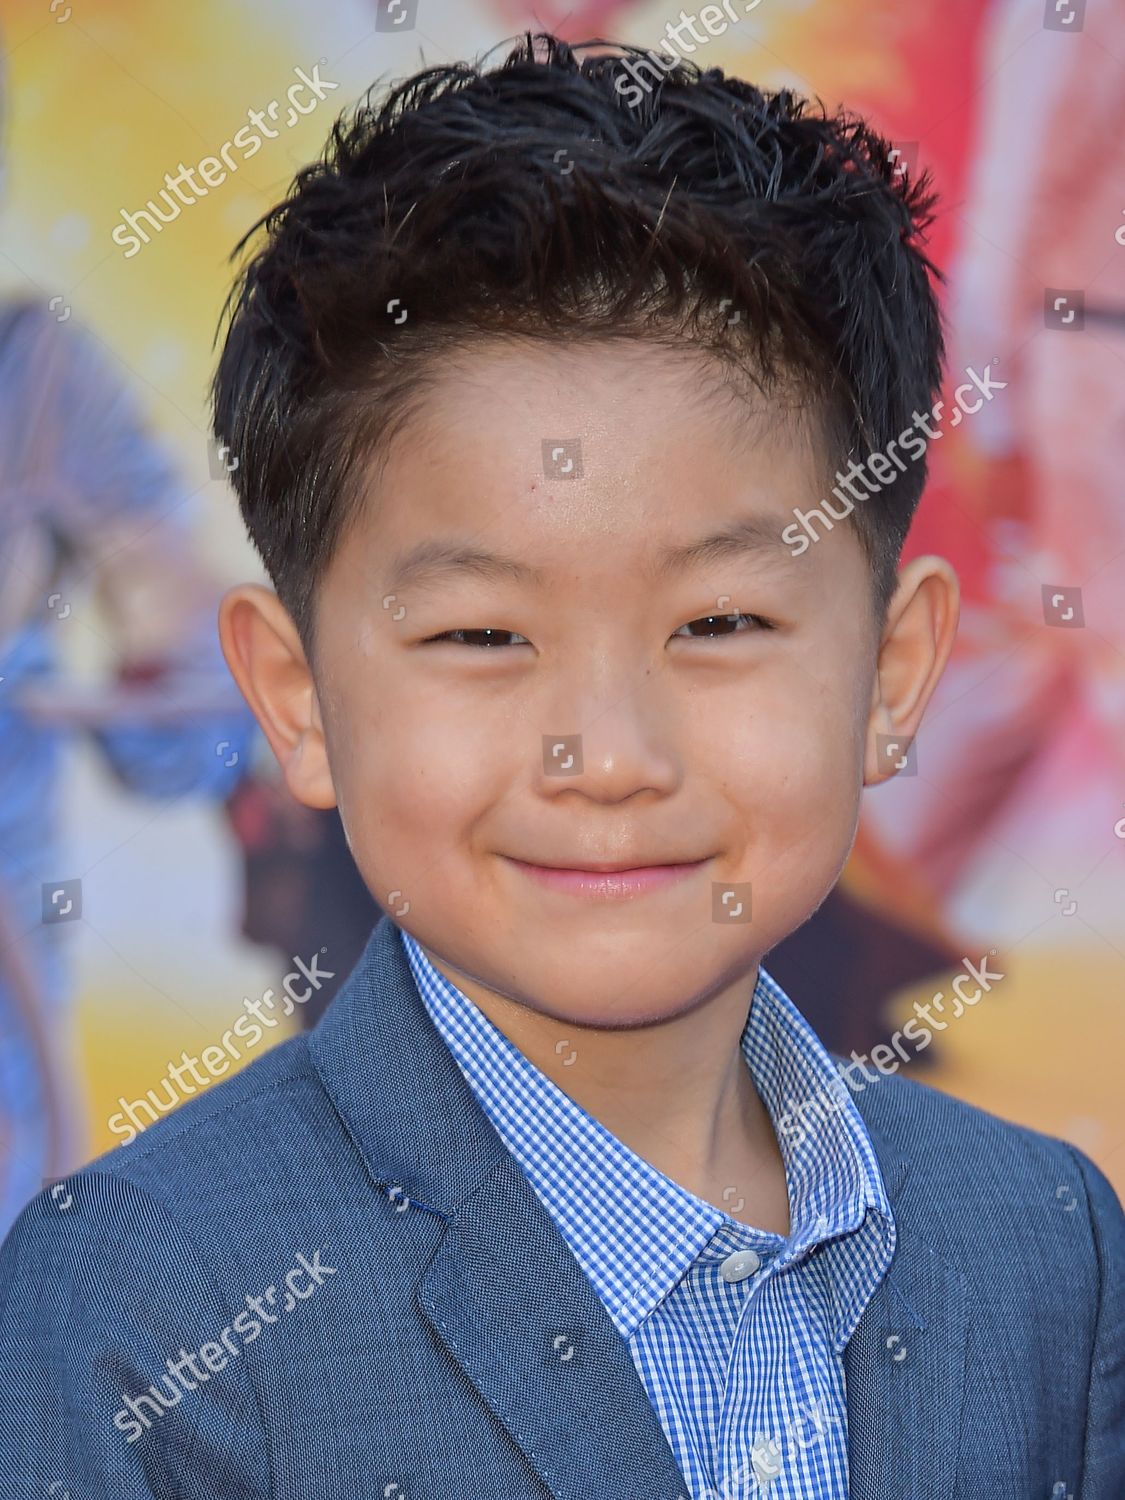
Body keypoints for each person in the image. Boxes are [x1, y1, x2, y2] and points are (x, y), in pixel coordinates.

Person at [1, 33, 1121, 1500]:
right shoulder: (142, 1300)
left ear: (889, 673)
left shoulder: (1043, 1237)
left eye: (719, 621)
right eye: (479, 634)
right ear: (297, 697)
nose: (605, 755)